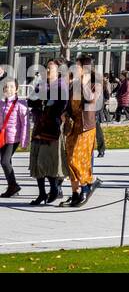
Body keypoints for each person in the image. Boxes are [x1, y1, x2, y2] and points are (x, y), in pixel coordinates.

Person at [62, 56, 102, 207]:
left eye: (77, 66)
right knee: (70, 159)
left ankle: (87, 186)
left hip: (86, 127)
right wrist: (65, 113)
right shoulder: (74, 84)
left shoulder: (94, 83)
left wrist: (84, 83)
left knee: (78, 159)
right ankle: (75, 194)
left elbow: (92, 100)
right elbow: (69, 104)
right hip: (74, 126)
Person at [28, 60, 69, 206]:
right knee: (36, 158)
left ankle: (53, 188)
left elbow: (62, 105)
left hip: (52, 126)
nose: (47, 71)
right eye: (46, 68)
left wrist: (48, 106)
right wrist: (41, 102)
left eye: (50, 69)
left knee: (47, 159)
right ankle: (41, 193)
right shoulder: (41, 85)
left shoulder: (61, 85)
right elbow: (31, 101)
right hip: (40, 125)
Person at [0, 78, 30, 198]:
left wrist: (24, 140)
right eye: (7, 87)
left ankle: (13, 186)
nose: (9, 89)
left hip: (13, 138)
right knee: (8, 161)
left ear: (17, 89)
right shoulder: (1, 103)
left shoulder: (20, 104)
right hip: (3, 137)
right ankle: (12, 188)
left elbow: (25, 124)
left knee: (4, 162)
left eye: (12, 87)